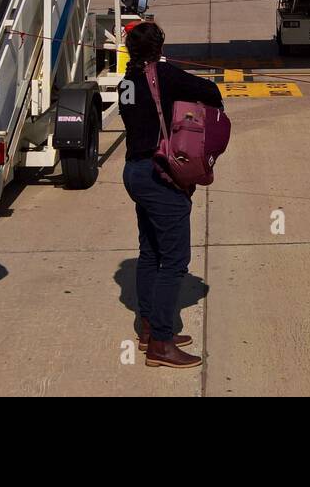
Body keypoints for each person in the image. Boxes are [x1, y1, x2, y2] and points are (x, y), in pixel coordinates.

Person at [117, 20, 223, 369]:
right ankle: (161, 343)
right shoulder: (164, 76)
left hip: (133, 171)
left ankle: (148, 327)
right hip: (159, 174)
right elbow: (211, 93)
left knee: (150, 252)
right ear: (159, 47)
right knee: (175, 260)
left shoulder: (126, 82)